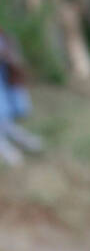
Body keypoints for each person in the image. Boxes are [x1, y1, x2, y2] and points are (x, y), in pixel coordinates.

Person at [0, 29, 43, 166]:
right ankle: (8, 148)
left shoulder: (5, 36)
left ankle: (20, 141)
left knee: (5, 118)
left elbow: (12, 54)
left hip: (5, 81)